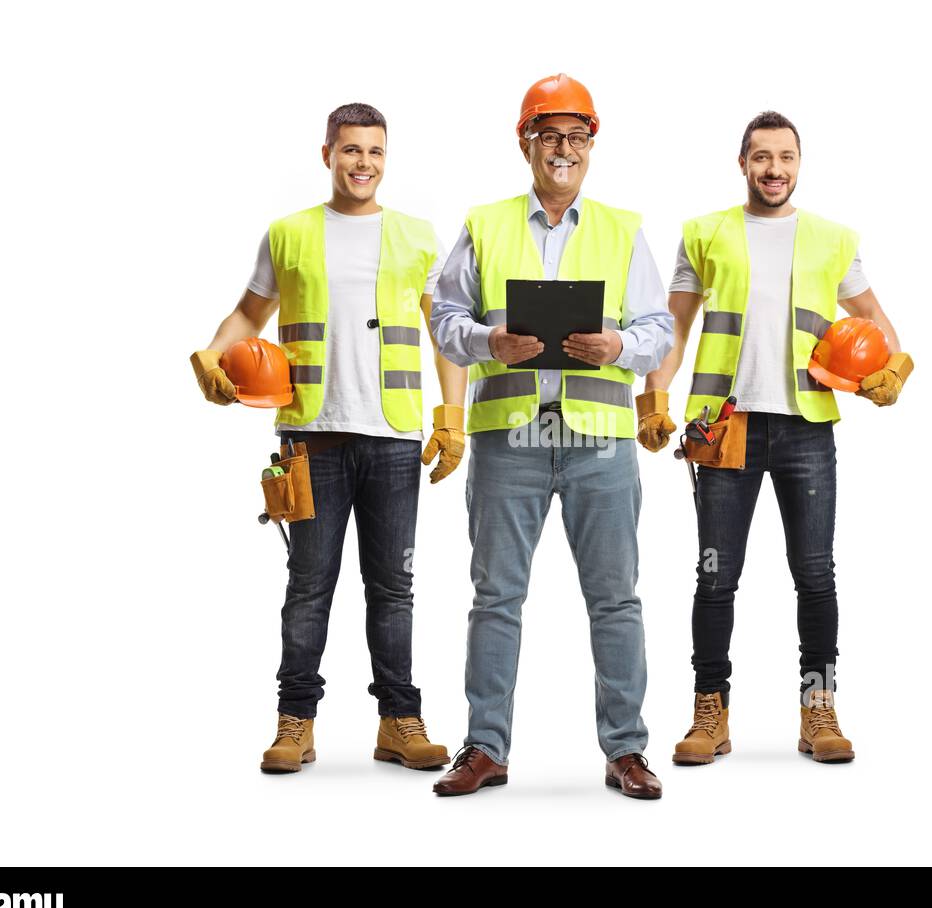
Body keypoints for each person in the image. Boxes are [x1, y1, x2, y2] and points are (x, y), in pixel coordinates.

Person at [189, 103, 464, 774]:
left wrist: (451, 416)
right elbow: (250, 312)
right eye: (350, 150)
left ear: (385, 158)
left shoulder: (418, 236)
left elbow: (446, 332)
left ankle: (400, 721)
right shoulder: (288, 234)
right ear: (327, 155)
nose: (362, 163)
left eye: (374, 151)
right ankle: (296, 723)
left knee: (393, 586)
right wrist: (211, 354)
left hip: (393, 434)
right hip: (309, 435)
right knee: (309, 584)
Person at [638, 110, 913, 766]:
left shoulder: (831, 239)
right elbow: (674, 327)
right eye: (761, 157)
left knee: (816, 574)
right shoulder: (705, 234)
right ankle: (711, 712)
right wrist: (653, 399)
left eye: (785, 157)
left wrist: (894, 369)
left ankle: (819, 708)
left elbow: (874, 319)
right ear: (742, 163)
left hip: (807, 429)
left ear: (798, 163)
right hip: (723, 428)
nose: (774, 169)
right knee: (715, 576)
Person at [428, 74, 673, 799]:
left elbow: (659, 332)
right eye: (548, 136)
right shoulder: (484, 224)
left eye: (576, 137)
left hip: (600, 442)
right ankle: (484, 747)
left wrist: (618, 349)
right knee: (495, 597)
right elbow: (443, 320)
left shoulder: (623, 229)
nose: (563, 150)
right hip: (509, 439)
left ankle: (627, 751)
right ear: (524, 142)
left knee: (616, 599)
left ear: (591, 146)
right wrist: (485, 341)